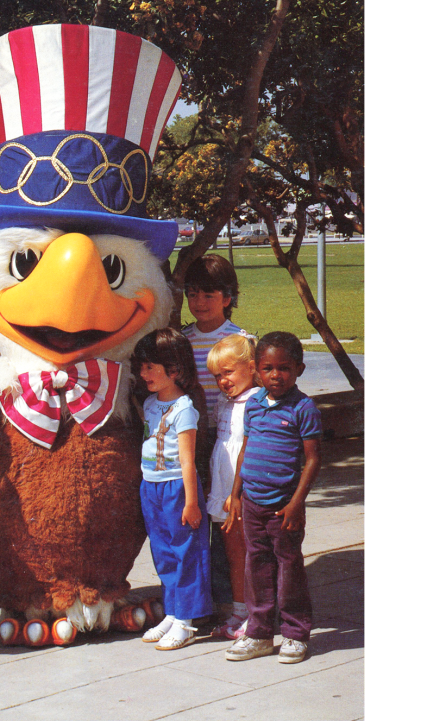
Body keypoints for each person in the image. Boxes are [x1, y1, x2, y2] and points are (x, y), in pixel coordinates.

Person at [224, 332, 322, 664]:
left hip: (284, 507)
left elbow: (313, 459)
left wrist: (296, 503)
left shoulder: (303, 408)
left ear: (299, 369)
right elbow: (245, 450)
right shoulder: (253, 405)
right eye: (268, 368)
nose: (275, 375)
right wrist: (235, 495)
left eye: (284, 368)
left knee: (289, 567)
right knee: (257, 566)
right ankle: (259, 633)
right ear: (256, 369)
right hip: (252, 503)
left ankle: (295, 633)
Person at [132, 328, 211, 651]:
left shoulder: (184, 409)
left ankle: (186, 621)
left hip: (178, 489)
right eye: (142, 366)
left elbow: (188, 460)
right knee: (163, 552)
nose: (143, 373)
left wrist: (191, 503)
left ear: (175, 370)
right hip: (151, 487)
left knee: (186, 553)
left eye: (151, 367)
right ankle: (172, 612)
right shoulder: (150, 403)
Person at [181, 253, 251, 615]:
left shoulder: (241, 341)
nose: (199, 302)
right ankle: (197, 599)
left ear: (227, 297)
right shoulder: (182, 339)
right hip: (191, 437)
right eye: (192, 294)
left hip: (228, 438)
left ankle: (229, 598)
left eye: (209, 294)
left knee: (227, 519)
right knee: (193, 516)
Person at [205, 334, 260, 639]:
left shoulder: (256, 402)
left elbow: (249, 450)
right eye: (217, 376)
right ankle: (239, 610)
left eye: (228, 372)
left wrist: (237, 493)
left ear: (251, 367)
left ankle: (257, 612)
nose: (223, 381)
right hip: (222, 487)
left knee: (251, 553)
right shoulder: (223, 402)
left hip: (242, 490)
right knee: (233, 555)